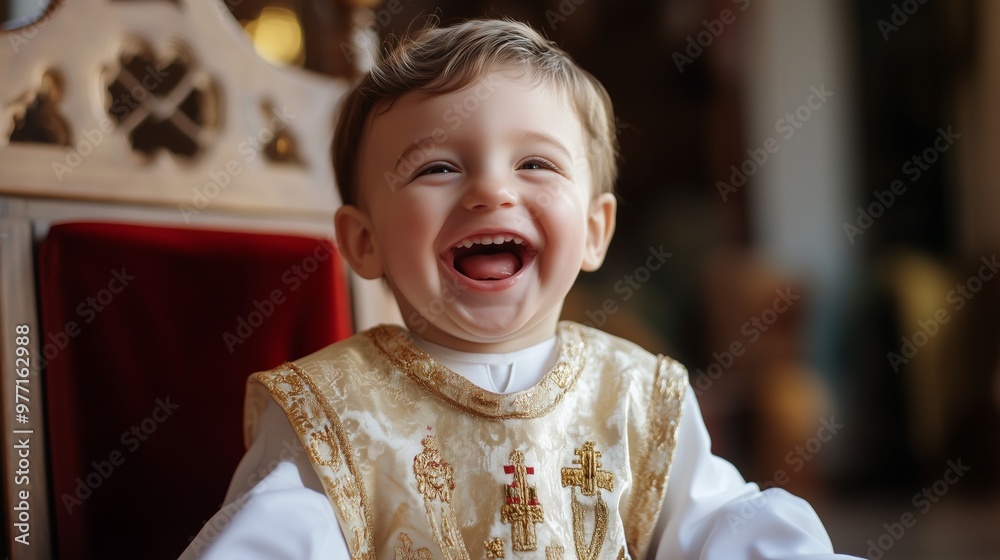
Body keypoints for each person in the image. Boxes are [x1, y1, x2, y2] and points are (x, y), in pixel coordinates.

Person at [180, 18, 860, 560]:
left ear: (595, 231)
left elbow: (720, 527)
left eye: (535, 162)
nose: (493, 190)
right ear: (364, 241)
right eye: (438, 167)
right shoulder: (328, 415)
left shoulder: (636, 395)